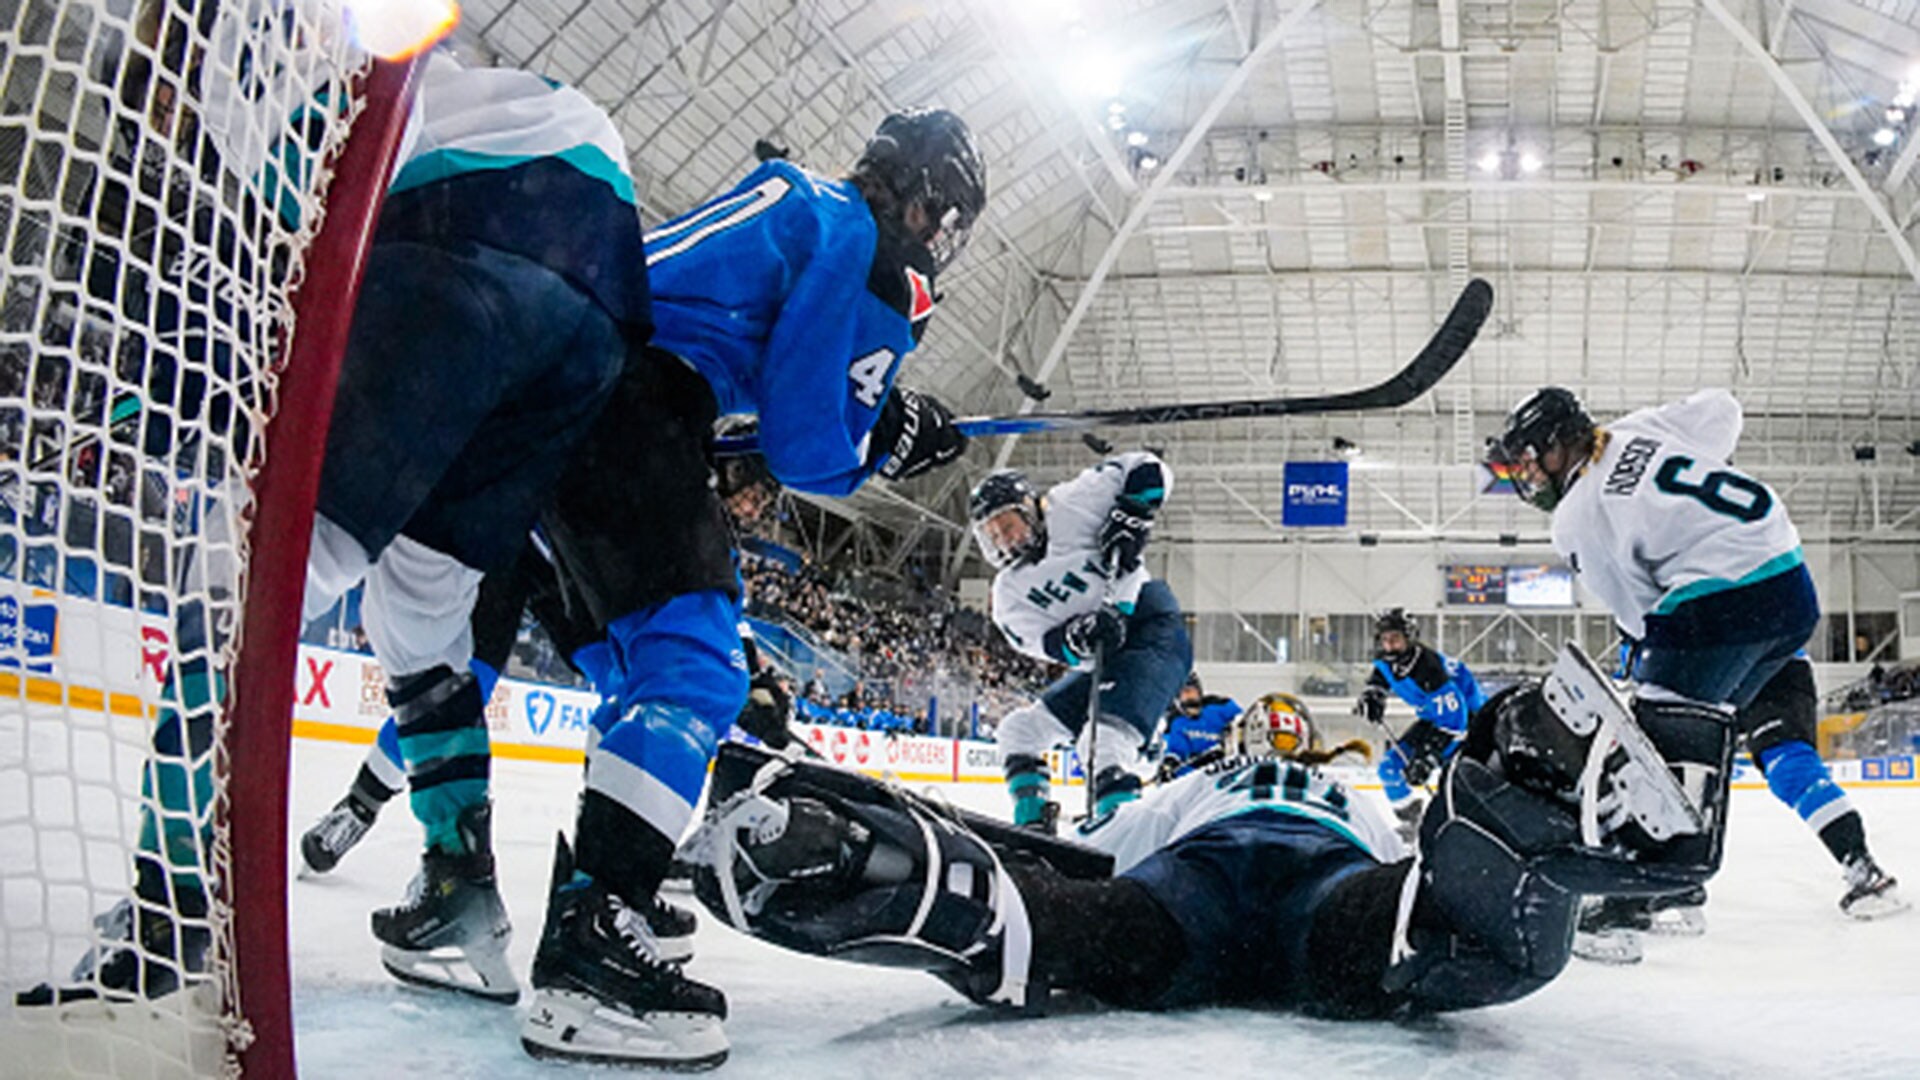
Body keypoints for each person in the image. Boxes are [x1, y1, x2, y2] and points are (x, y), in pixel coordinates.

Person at [517, 110, 985, 1069]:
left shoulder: (792, 195)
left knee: (633, 665)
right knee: (692, 667)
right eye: (946, 217)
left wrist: (872, 418)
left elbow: (734, 365)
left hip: (555, 394)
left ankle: (616, 891)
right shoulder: (863, 247)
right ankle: (587, 950)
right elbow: (806, 447)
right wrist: (889, 443)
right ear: (924, 195)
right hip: (629, 406)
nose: (941, 241)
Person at [679, 666, 1706, 1022]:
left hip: (1273, 891)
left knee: (1430, 918)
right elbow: (1099, 847)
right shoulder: (1227, 780)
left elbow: (1093, 850)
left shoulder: (1268, 781)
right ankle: (879, 869)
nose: (1280, 735)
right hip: (1244, 887)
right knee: (1073, 921)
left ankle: (1540, 810)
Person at [1485, 386, 1905, 955]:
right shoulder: (1636, 428)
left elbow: (1638, 614)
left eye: (1534, 458)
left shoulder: (1576, 515)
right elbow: (1724, 408)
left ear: (1560, 445)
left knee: (1649, 752)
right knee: (1774, 754)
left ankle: (1646, 901)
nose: (1529, 475)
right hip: (1790, 589)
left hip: (1720, 605)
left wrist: (1647, 669)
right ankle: (1846, 865)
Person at [968, 454, 1193, 831]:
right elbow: (1046, 644)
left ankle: (1122, 835)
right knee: (1017, 732)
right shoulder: (1008, 593)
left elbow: (1148, 468)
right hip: (1102, 659)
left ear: (1029, 508)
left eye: (1007, 525)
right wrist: (1077, 638)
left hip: (1152, 632)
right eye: (993, 534)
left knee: (1102, 740)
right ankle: (1033, 826)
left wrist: (1132, 511)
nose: (1004, 539)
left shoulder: (1071, 505)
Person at [1353, 608, 1486, 839]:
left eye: (1395, 639)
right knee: (1390, 769)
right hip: (1434, 719)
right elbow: (1380, 677)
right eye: (1385, 639)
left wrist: (1428, 756)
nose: (1389, 645)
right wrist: (1373, 695)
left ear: (1409, 638)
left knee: (1457, 783)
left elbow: (1455, 722)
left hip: (1468, 724)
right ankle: (1414, 823)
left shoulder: (1430, 670)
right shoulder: (1388, 661)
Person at [1155, 672, 1239, 780]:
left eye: (1192, 692)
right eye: (1185, 693)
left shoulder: (1220, 706)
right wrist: (1170, 764)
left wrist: (1233, 728)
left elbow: (1244, 722)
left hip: (1229, 768)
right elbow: (1176, 750)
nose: (1189, 697)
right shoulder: (1176, 721)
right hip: (1197, 777)